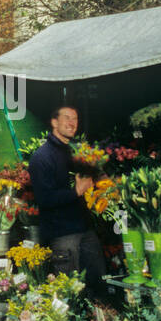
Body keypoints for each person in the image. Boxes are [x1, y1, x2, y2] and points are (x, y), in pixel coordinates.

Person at [28, 105, 107, 303]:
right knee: (69, 291)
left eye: (75, 119)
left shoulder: (77, 152)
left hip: (85, 229)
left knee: (98, 282)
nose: (72, 123)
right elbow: (44, 199)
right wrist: (75, 192)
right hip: (62, 233)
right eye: (67, 118)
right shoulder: (42, 157)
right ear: (54, 122)